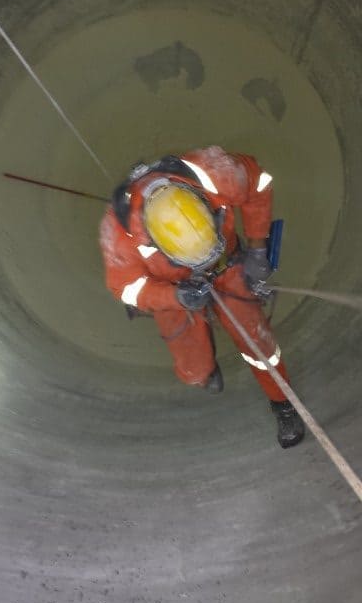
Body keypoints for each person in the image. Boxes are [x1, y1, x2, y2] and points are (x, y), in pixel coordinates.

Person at [99, 146, 305, 448]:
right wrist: (174, 297)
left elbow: (257, 182)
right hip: (172, 286)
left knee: (258, 342)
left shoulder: (215, 174)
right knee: (191, 362)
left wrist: (257, 248)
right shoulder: (119, 233)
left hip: (228, 264)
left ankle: (283, 404)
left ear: (206, 205)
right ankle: (203, 372)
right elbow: (126, 288)